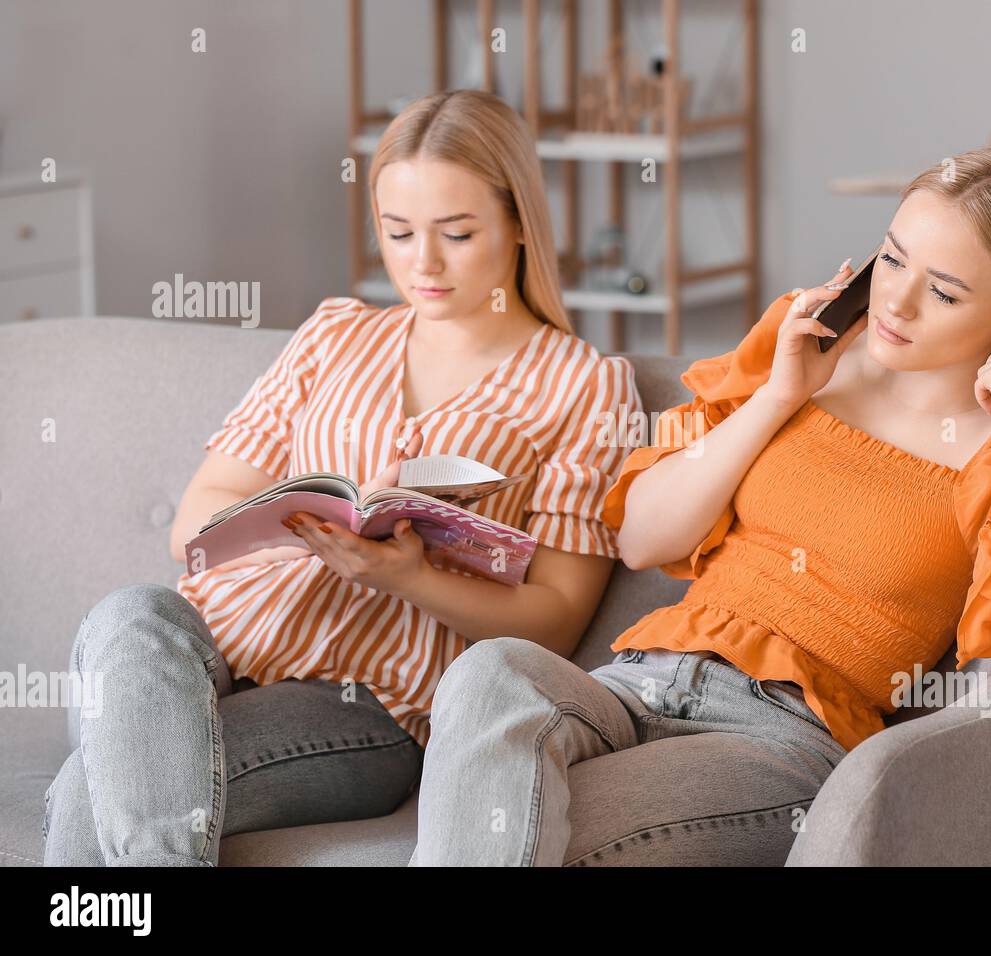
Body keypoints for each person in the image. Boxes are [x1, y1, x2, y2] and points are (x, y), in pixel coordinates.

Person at [410, 147, 991, 866]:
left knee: (531, 824)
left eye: (942, 290)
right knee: (490, 671)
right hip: (632, 683)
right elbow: (641, 537)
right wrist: (777, 396)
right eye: (893, 258)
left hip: (778, 739)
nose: (895, 301)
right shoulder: (805, 354)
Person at [42, 89, 640, 866]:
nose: (421, 263)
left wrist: (406, 576)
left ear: (520, 223)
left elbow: (556, 621)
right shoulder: (336, 332)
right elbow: (196, 524)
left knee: (96, 787)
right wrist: (302, 527)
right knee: (130, 613)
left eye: (457, 234)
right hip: (202, 649)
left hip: (362, 703)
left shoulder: (585, 385)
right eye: (398, 232)